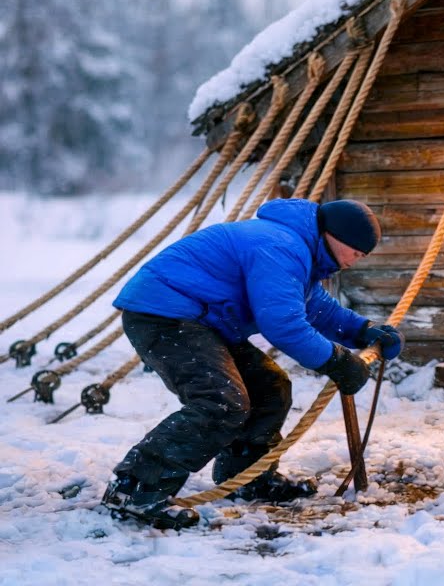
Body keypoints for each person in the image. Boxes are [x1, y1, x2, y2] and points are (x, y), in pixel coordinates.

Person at [100, 198, 403, 529]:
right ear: (335, 237)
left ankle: (244, 476)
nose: (356, 261)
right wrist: (337, 361)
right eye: (357, 253)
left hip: (203, 320)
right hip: (164, 313)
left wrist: (363, 331)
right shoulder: (281, 246)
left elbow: (315, 307)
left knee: (269, 389)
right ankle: (135, 488)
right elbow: (283, 324)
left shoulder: (297, 248)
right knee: (221, 401)